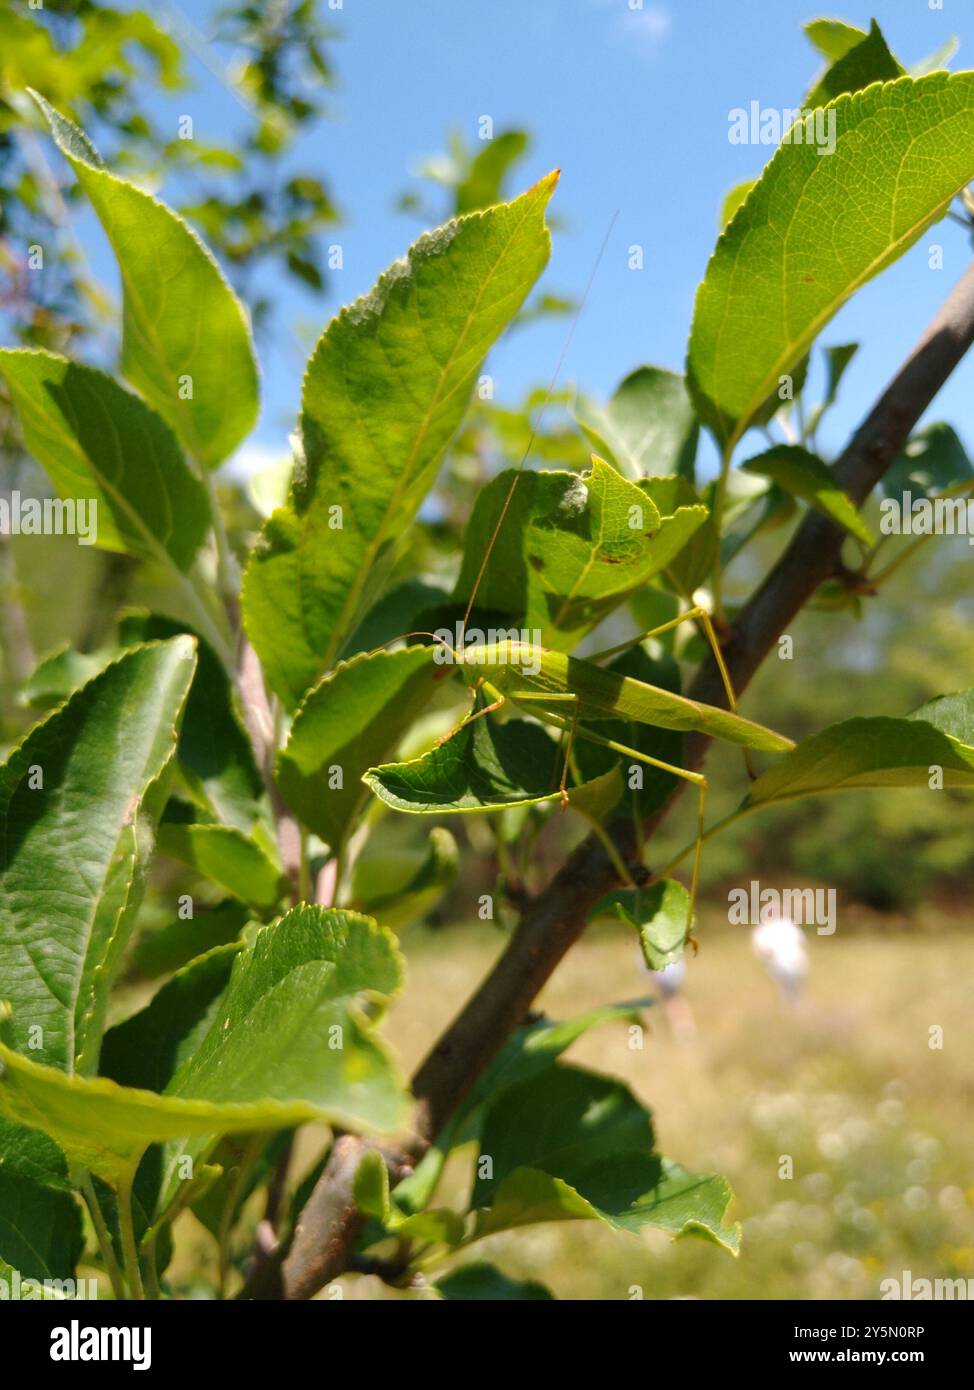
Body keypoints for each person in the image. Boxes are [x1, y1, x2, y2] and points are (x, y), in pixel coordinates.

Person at [751, 912, 808, 1005]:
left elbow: (801, 940)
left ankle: (797, 1005)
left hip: (795, 959)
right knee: (785, 987)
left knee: (797, 986)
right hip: (779, 963)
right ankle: (788, 1007)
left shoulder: (787, 924)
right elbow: (760, 949)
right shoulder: (763, 930)